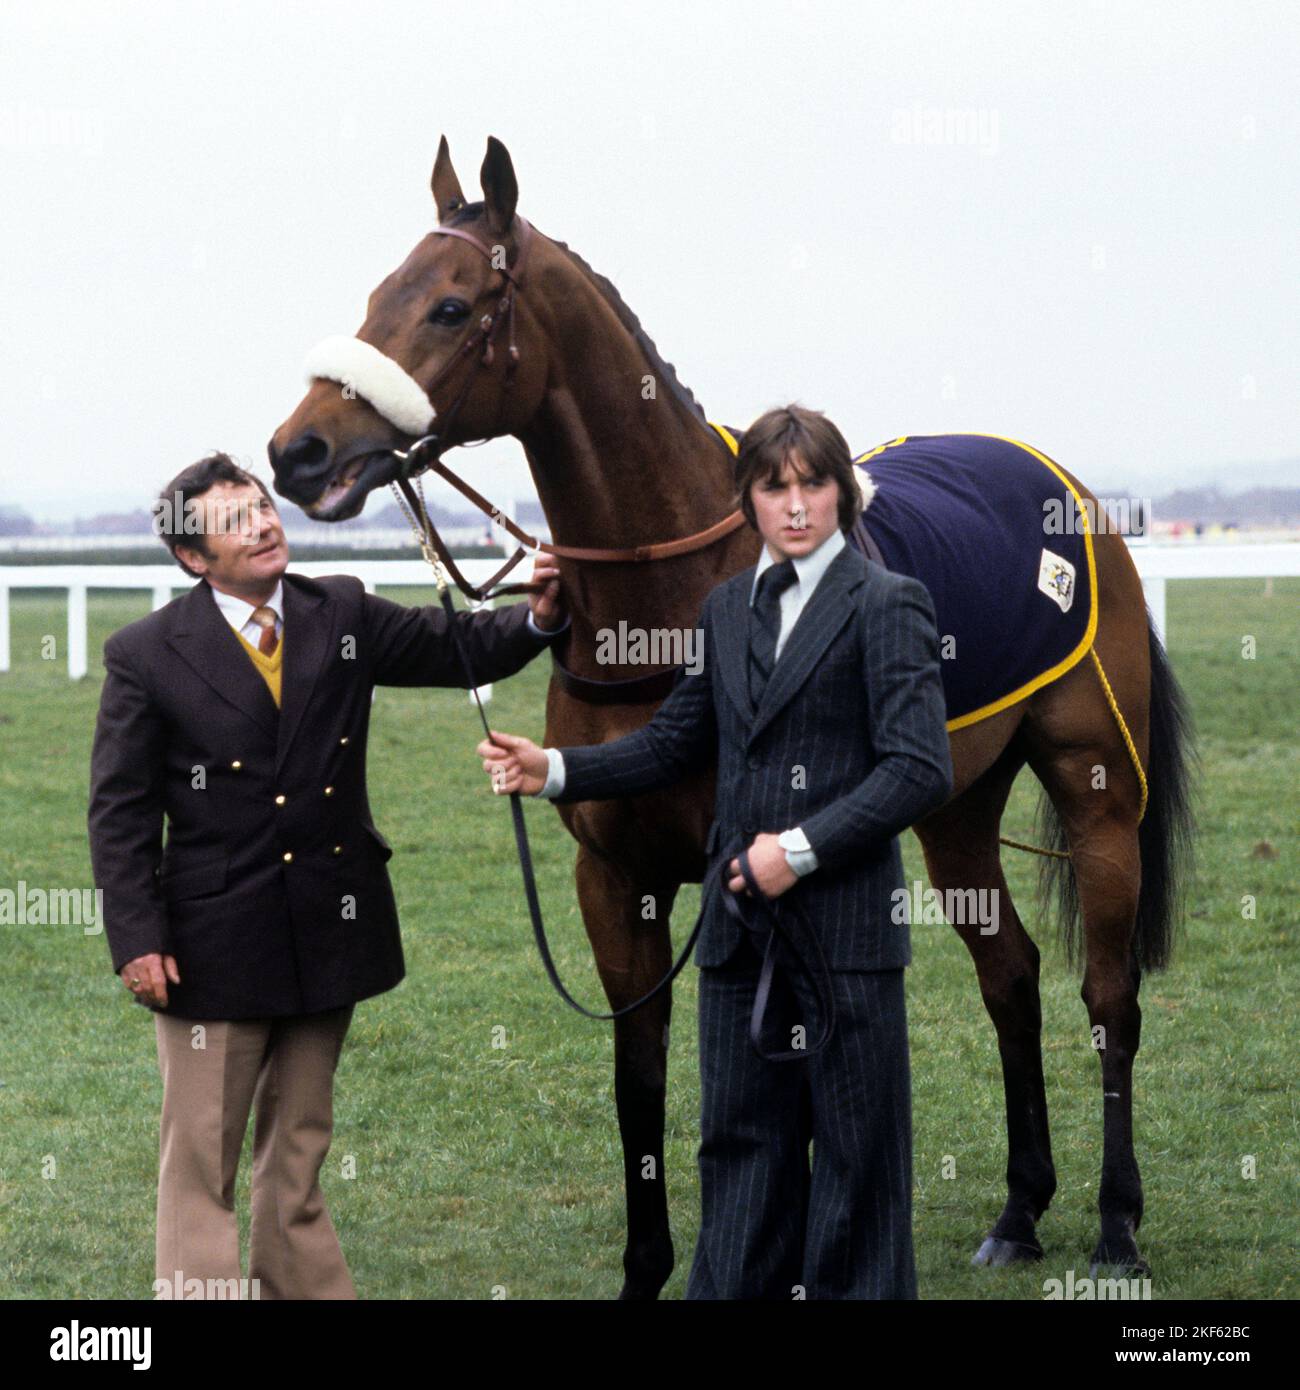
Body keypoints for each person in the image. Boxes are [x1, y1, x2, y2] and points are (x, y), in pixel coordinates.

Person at [478, 404, 953, 1299]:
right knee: (738, 1151)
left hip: (844, 936)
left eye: (815, 484)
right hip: (740, 939)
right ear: (745, 503)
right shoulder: (727, 608)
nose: (797, 505)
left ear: (842, 496)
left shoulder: (890, 604)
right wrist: (554, 769)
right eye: (774, 487)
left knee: (859, 1167)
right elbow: (673, 744)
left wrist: (800, 851)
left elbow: (917, 771)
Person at [88, 452, 567, 1299]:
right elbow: (120, 813)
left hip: (327, 929)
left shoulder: (337, 607)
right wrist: (137, 939)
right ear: (193, 558)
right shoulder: (146, 653)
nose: (265, 525)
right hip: (210, 950)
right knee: (203, 1162)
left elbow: (455, 646)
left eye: (264, 507)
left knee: (298, 1149)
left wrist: (537, 619)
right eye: (235, 521)